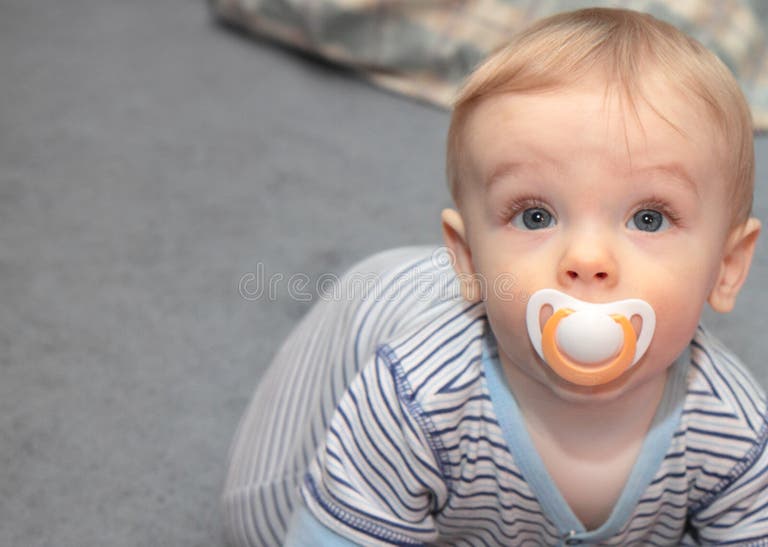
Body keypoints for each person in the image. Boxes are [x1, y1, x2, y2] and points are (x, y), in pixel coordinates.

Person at [223, 7, 767, 545]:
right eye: (535, 216)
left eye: (649, 218)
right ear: (467, 260)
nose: (587, 258)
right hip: (330, 431)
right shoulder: (418, 395)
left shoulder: (732, 428)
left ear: (726, 266)